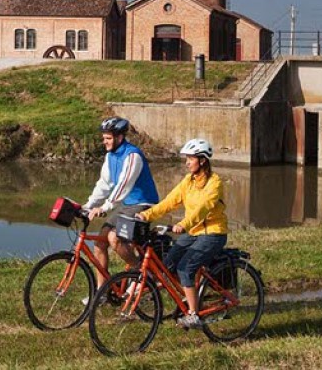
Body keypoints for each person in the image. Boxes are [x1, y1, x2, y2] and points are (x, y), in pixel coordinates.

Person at [136, 138, 227, 329]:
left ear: (202, 160)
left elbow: (203, 208)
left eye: (190, 159)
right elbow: (170, 202)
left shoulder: (215, 182)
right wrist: (147, 214)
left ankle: (194, 315)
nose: (187, 163)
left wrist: (183, 224)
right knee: (168, 264)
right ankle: (189, 294)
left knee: (185, 268)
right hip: (193, 231)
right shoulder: (188, 181)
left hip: (212, 233)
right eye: (186, 158)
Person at [83, 116, 160, 293]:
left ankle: (143, 273)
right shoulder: (110, 156)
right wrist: (89, 205)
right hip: (126, 204)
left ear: (119, 137)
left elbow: (124, 185)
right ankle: (102, 291)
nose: (105, 142)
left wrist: (105, 207)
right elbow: (104, 184)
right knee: (100, 243)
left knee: (114, 238)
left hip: (143, 203)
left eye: (108, 138)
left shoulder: (133, 155)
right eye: (104, 138)